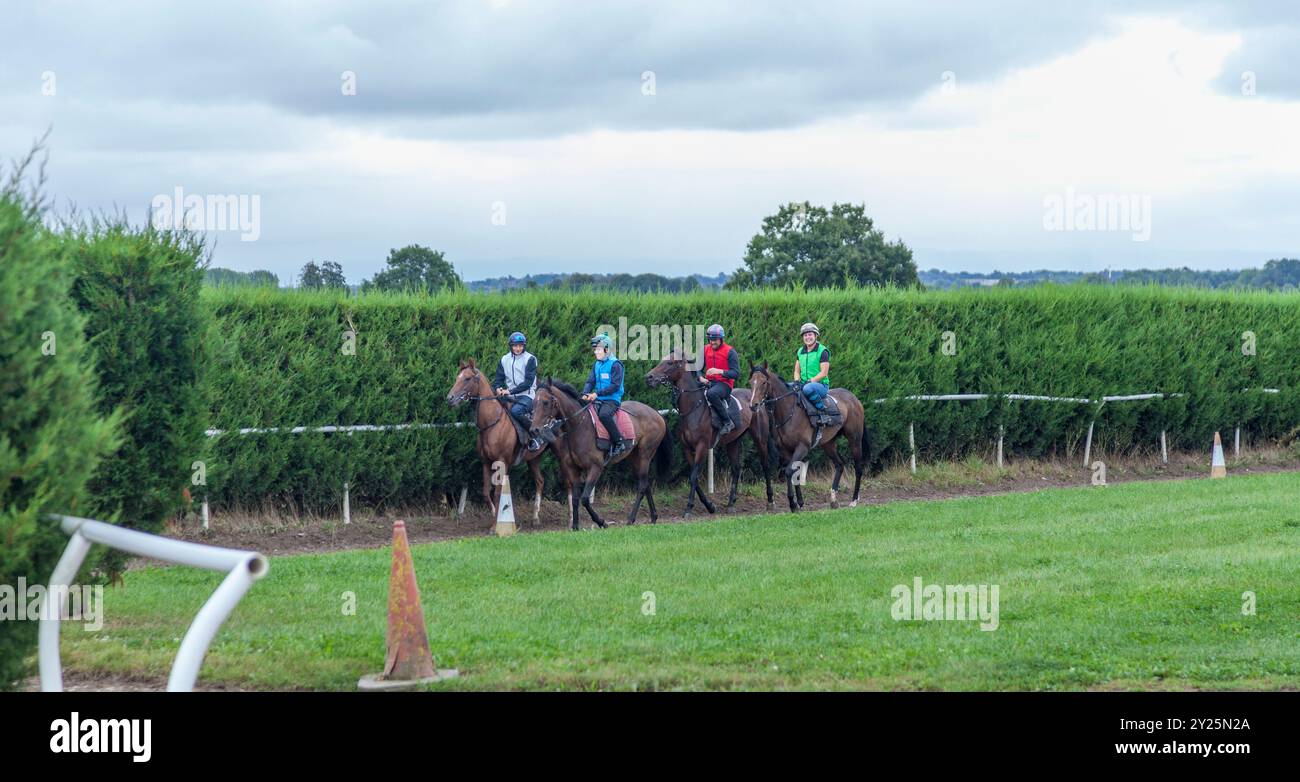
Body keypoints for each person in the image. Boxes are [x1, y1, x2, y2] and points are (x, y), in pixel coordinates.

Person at [581, 333, 627, 457]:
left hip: (612, 399)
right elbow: (590, 381)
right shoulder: (597, 364)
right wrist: (585, 393)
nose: (596, 352)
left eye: (599, 349)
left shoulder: (616, 364)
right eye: (595, 349)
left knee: (604, 415)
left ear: (607, 349)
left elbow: (615, 386)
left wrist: (596, 393)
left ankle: (619, 442)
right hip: (598, 397)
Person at [493, 331, 540, 449]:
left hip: (527, 396)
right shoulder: (504, 359)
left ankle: (535, 435)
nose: (518, 348)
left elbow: (528, 383)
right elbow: (498, 378)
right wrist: (498, 388)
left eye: (520, 345)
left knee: (516, 411)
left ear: (524, 346)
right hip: (510, 395)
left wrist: (509, 391)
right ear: (511, 346)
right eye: (515, 345)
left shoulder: (530, 359)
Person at [699, 323, 741, 435]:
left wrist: (719, 371)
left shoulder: (730, 351)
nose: (712, 342)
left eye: (715, 340)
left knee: (711, 394)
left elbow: (736, 373)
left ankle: (727, 422)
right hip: (708, 382)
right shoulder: (705, 349)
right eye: (710, 339)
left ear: (721, 339)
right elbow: (697, 368)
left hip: (724, 384)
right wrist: (700, 378)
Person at [793, 322, 832, 426]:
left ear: (815, 335)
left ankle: (823, 413)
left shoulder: (822, 351)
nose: (807, 337)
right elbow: (797, 371)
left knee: (807, 389)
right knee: (788, 387)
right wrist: (796, 381)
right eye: (805, 335)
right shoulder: (800, 351)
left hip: (821, 386)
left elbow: (824, 373)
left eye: (810, 334)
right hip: (804, 383)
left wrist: (809, 381)